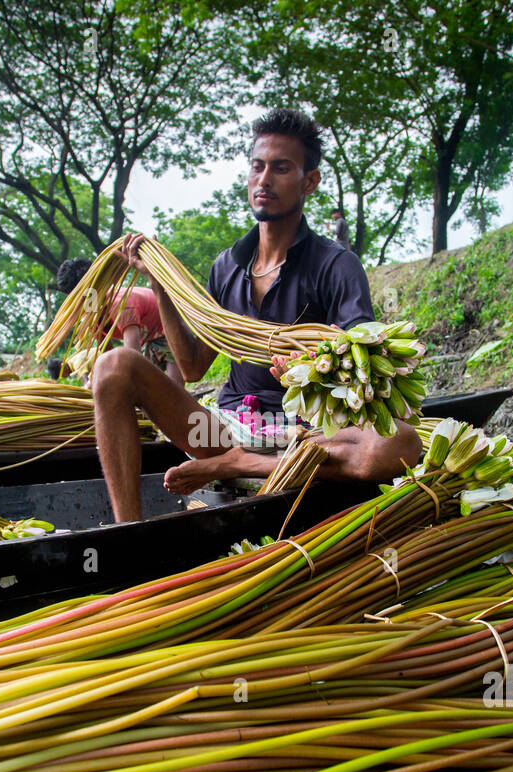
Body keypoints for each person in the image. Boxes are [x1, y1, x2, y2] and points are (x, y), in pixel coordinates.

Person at [90, 107, 420, 523]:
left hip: (303, 434)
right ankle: (128, 532)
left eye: (281, 169)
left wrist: (309, 371)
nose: (264, 180)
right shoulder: (227, 266)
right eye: (257, 167)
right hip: (221, 431)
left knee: (395, 444)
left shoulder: (337, 265)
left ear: (309, 182)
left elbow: (363, 373)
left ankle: (238, 464)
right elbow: (191, 367)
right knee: (113, 366)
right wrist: (159, 283)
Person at [55, 258, 184, 387]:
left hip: (170, 328)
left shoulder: (120, 305)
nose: (79, 304)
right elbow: (105, 350)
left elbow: (132, 356)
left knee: (174, 389)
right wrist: (94, 380)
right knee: (150, 392)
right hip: (148, 339)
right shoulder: (91, 314)